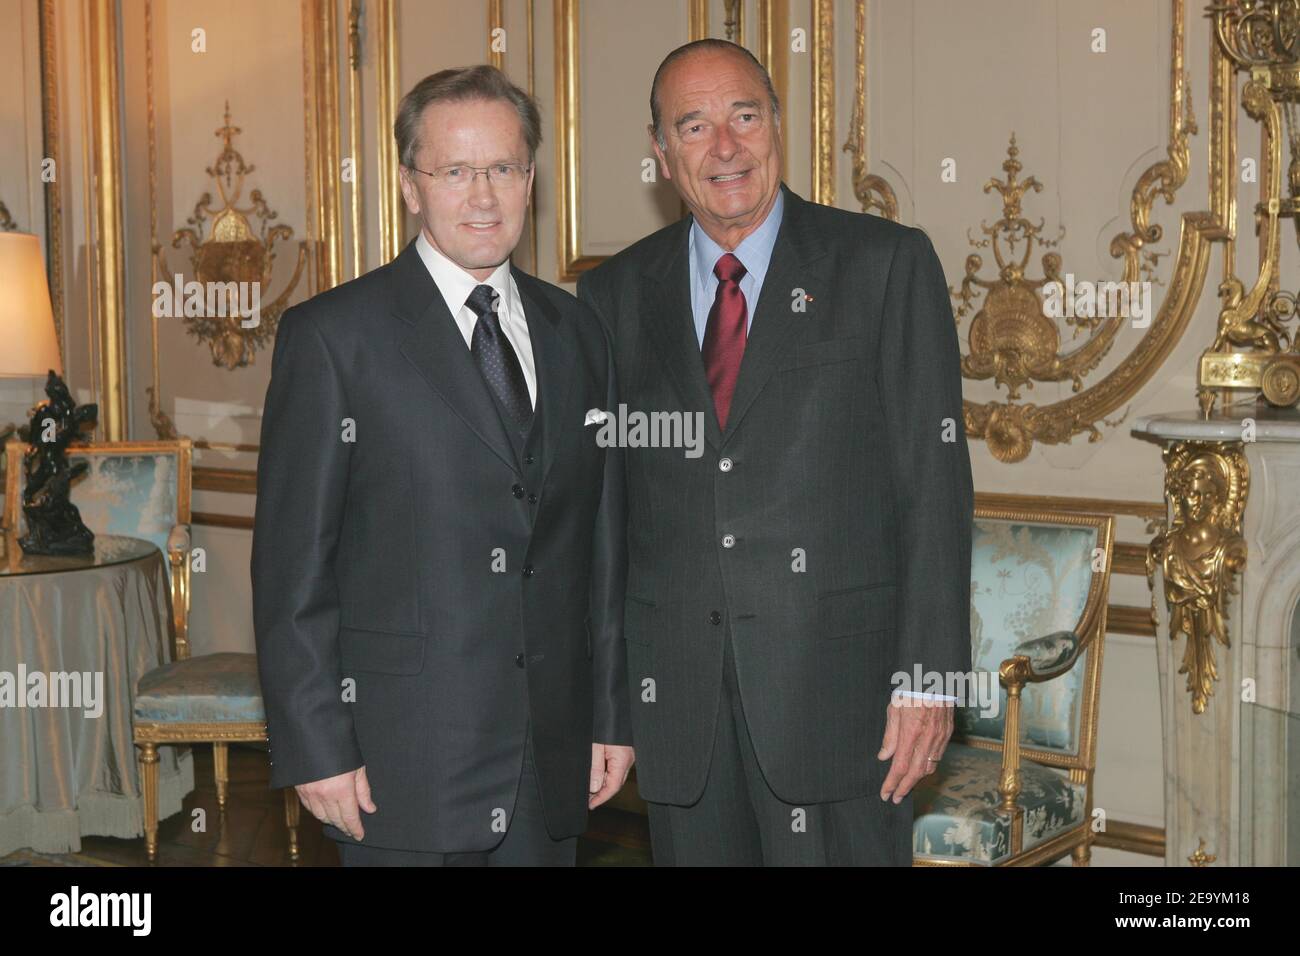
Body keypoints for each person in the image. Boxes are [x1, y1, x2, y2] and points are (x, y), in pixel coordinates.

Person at [577, 39, 974, 866]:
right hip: (680, 707)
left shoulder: (884, 265)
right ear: (661, 153)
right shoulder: (613, 294)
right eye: (694, 125)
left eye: (744, 116)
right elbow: (606, 515)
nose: (725, 146)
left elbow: (933, 486)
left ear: (779, 127)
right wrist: (607, 702)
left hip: (845, 706)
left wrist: (930, 679)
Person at [252, 65, 632, 866]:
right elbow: (294, 570)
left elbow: (599, 547)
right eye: (455, 171)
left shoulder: (579, 333)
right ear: (408, 186)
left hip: (547, 764)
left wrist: (610, 717)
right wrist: (317, 744)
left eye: (503, 168)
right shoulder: (334, 338)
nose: (484, 196)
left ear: (531, 177)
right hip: (400, 765)